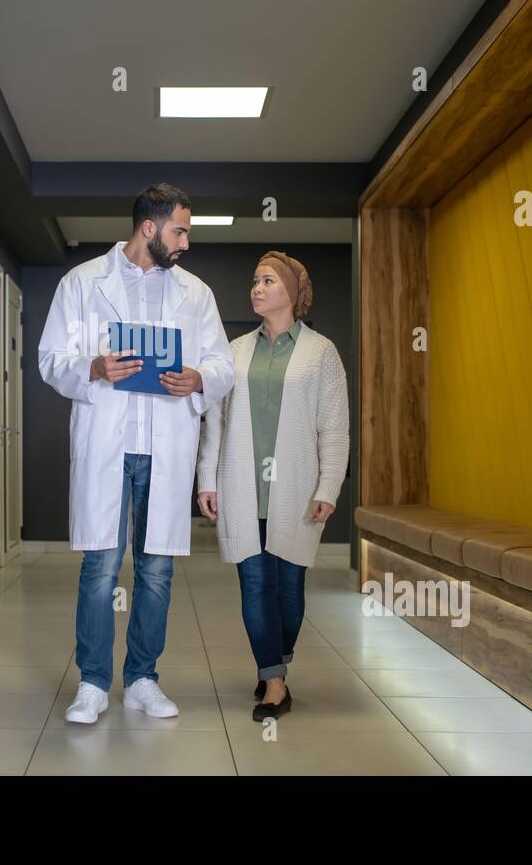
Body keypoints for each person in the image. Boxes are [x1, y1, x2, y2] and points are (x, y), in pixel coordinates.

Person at [38, 183, 234, 724]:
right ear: (149, 228)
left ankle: (144, 677)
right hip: (109, 441)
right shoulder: (82, 284)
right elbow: (50, 357)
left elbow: (222, 365)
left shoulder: (196, 294)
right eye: (180, 231)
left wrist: (198, 377)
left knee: (156, 570)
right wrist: (94, 368)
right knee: (101, 566)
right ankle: (94, 683)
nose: (186, 243)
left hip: (164, 447)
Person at [196, 250, 350, 722]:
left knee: (289, 588)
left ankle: (272, 666)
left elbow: (334, 426)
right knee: (254, 583)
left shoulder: (320, 352)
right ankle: (276, 683)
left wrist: (328, 487)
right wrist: (207, 479)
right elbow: (214, 422)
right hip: (242, 485)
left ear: (291, 292)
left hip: (296, 488)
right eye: (254, 281)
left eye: (267, 281)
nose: (256, 288)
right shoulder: (235, 351)